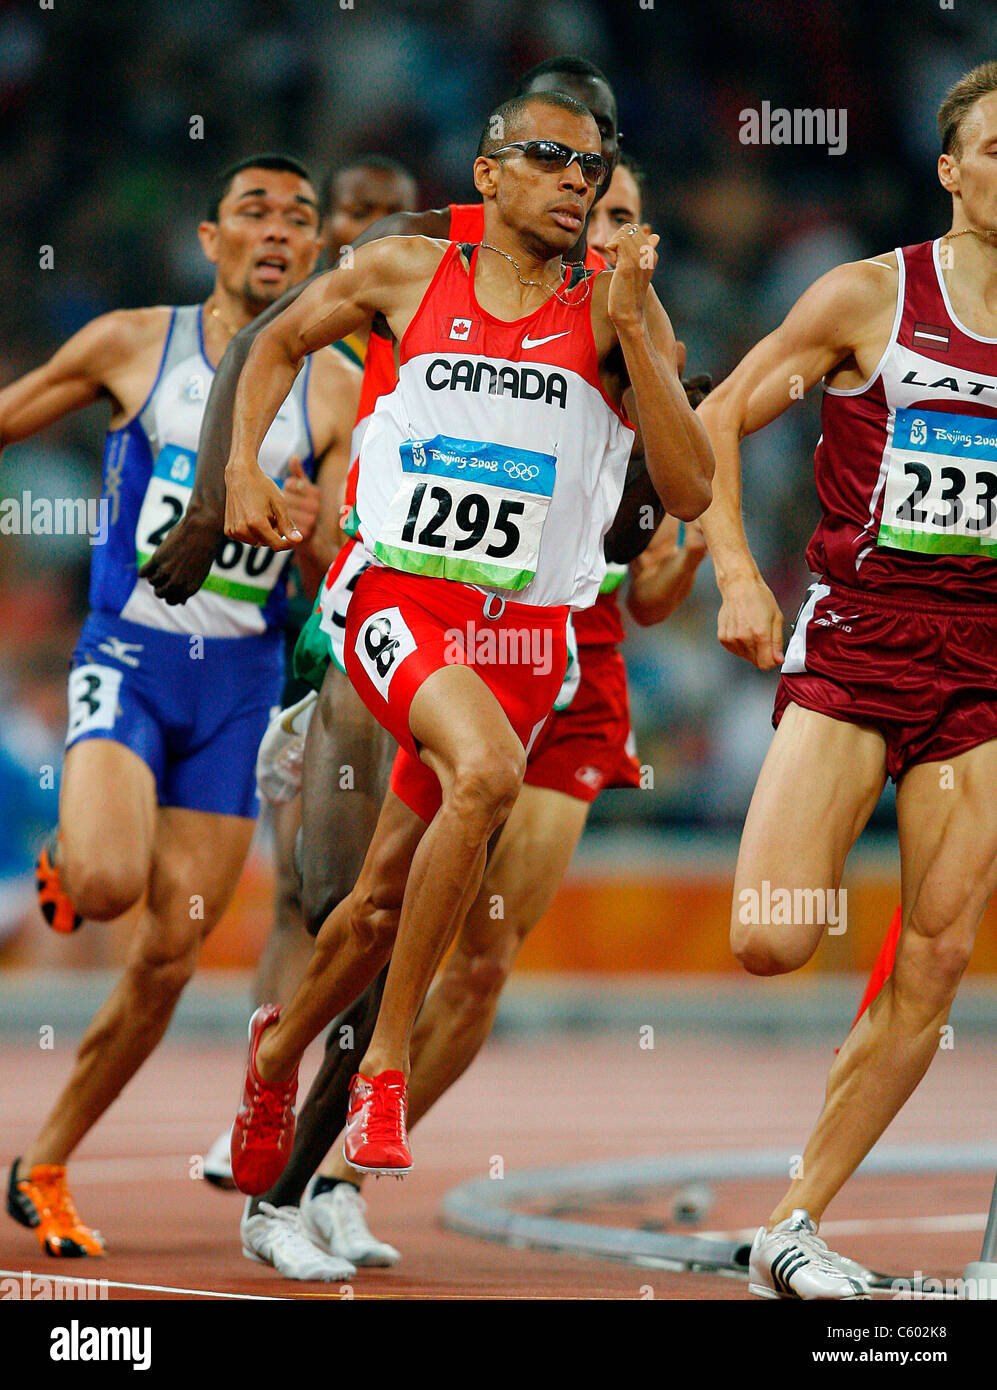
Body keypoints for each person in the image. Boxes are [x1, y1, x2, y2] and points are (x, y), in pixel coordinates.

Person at [222, 89, 713, 1198]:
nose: (575, 181)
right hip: (401, 599)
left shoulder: (615, 309)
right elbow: (272, 343)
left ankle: (268, 1054)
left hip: (528, 635)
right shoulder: (405, 270)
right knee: (486, 775)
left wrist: (638, 331)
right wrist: (242, 466)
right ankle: (382, 1067)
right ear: (488, 175)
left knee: (384, 894)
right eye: (550, 159)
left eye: (591, 167)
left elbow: (689, 485)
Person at [2, 155, 360, 1261]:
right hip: (131, 654)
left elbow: (347, 544)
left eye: (299, 220)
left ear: (314, 255)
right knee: (106, 884)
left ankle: (45, 1160)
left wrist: (311, 524)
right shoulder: (133, 344)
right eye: (253, 212)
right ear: (209, 238)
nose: (276, 231)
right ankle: (74, 859)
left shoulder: (339, 386)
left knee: (171, 952)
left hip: (240, 682)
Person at [697, 61, 997, 1299]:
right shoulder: (869, 295)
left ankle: (792, 1222)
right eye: (995, 147)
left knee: (935, 958)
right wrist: (734, 579)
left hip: (984, 660)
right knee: (771, 940)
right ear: (949, 168)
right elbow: (715, 419)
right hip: (863, 637)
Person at [203, 154, 419, 1191]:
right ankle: (269, 1103)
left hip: (422, 625)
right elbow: (243, 384)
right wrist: (249, 499)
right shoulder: (312, 340)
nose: (371, 227)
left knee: (394, 906)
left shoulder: (426, 324)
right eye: (354, 213)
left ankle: (316, 1148)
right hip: (308, 642)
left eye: (390, 214)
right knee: (311, 898)